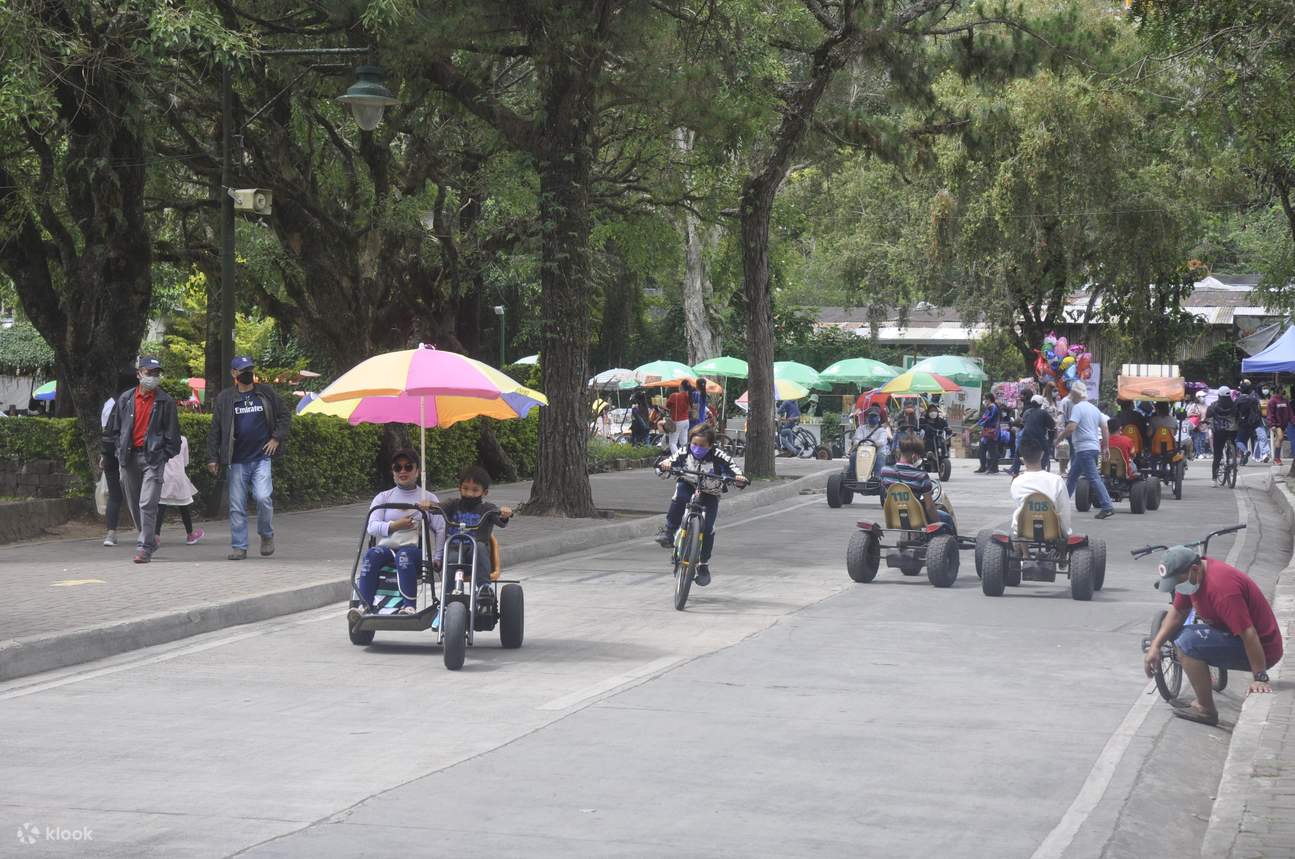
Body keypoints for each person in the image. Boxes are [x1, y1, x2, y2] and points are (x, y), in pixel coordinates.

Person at [1143, 546, 1282, 726]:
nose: (1177, 587)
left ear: (1195, 569)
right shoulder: (1194, 579)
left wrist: (1260, 678)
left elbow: (1249, 633)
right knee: (1177, 634)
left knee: (1187, 643)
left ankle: (1206, 709)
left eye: (1178, 581)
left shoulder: (1221, 589)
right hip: (1235, 637)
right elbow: (1177, 613)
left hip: (1262, 649)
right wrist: (1155, 646)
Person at [206, 356, 292, 561]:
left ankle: (266, 534)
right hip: (236, 460)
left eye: (250, 369)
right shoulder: (225, 398)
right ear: (234, 373)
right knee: (237, 505)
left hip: (262, 457)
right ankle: (239, 547)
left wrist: (276, 438)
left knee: (263, 498)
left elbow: (285, 415)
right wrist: (212, 457)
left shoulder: (266, 392)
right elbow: (215, 429)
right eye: (243, 370)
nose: (248, 373)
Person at [102, 357, 181, 563]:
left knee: (147, 503)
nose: (153, 377)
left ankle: (144, 547)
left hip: (153, 458)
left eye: (156, 373)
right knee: (135, 503)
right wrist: (118, 451)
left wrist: (163, 455)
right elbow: (114, 430)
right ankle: (149, 538)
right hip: (129, 457)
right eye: (149, 372)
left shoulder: (165, 401)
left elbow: (173, 436)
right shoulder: (126, 399)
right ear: (139, 374)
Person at [354, 449, 446, 615]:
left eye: (408, 467)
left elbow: (441, 529)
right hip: (388, 547)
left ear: (417, 471)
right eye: (398, 467)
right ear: (393, 471)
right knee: (371, 555)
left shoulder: (428, 498)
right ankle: (364, 606)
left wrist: (438, 557)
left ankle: (409, 606)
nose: (403, 471)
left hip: (414, 550)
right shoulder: (383, 497)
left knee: (404, 556)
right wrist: (395, 525)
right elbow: (372, 527)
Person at [653, 425, 748, 587]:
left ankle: (703, 564)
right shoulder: (684, 451)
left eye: (702, 446)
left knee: (708, 527)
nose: (697, 448)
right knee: (680, 497)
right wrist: (665, 466)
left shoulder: (719, 455)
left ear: (710, 445)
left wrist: (739, 478)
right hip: (688, 483)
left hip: (710, 492)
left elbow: (734, 469)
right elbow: (670, 462)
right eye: (694, 444)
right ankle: (669, 531)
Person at [437, 465, 514, 589]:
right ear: (459, 488)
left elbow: (500, 521)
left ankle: (484, 588)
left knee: (479, 547)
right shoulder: (452, 504)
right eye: (465, 489)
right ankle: (449, 592)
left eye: (475, 490)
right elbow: (438, 507)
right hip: (454, 551)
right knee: (452, 557)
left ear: (484, 492)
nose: (469, 493)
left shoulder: (487, 508)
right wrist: (429, 505)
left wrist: (504, 514)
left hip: (476, 558)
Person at [1054, 381, 1115, 519]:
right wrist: (1105, 447)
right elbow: (1105, 428)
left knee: (1093, 478)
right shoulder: (1094, 409)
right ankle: (1061, 505)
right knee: (1072, 477)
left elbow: (1071, 427)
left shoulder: (1078, 408)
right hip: (1092, 448)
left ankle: (1107, 506)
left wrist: (1058, 439)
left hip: (1083, 448)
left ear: (1075, 394)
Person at [879, 432, 955, 534]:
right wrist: (938, 525)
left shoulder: (885, 471)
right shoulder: (921, 476)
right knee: (946, 517)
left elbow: (886, 495)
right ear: (914, 456)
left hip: (894, 515)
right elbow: (929, 507)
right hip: (917, 517)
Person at [99, 370, 137, 547]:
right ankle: (145, 533)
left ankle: (111, 534)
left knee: (115, 495)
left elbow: (105, 430)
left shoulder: (109, 403)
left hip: (109, 452)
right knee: (139, 494)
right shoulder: (132, 401)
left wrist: (103, 454)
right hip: (128, 452)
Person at [1009, 436, 1072, 537]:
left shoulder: (1017, 481)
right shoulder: (1056, 480)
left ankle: (1023, 546)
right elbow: (1064, 511)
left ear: (1021, 459)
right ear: (1042, 454)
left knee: (1020, 511)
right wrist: (1066, 533)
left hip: (1024, 531)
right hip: (1053, 531)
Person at [155, 435, 204, 546]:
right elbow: (186, 461)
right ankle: (190, 535)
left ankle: (155, 536)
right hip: (179, 478)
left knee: (161, 506)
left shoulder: (159, 439)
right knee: (184, 506)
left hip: (164, 477)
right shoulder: (183, 440)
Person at [1008, 394, 1055, 477]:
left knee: (1018, 451)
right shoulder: (1043, 412)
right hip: (1038, 437)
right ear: (1041, 404)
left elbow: (1023, 422)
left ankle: (1014, 470)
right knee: (1047, 451)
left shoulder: (1027, 412)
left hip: (1025, 436)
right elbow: (1052, 425)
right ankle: (1042, 468)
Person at [1206, 385, 1239, 485]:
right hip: (1233, 430)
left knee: (1217, 455)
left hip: (1219, 431)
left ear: (1219, 395)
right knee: (1232, 444)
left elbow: (1208, 415)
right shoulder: (1235, 405)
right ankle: (1233, 459)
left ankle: (1214, 479)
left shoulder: (1214, 405)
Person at [1235, 380, 1263, 463]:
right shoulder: (1254, 399)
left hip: (1242, 424)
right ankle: (1243, 460)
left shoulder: (1238, 400)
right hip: (1252, 424)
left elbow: (1234, 412)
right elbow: (1259, 411)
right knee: (1245, 441)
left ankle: (1245, 451)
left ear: (1241, 389)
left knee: (1238, 440)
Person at [975, 393, 1002, 474]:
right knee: (983, 449)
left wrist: (977, 424)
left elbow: (986, 418)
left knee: (991, 449)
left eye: (985, 399)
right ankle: (984, 466)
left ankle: (993, 468)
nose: (984, 401)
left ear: (989, 399)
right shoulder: (991, 407)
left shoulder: (992, 407)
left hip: (991, 431)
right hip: (988, 431)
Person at [664, 382, 692, 452]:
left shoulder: (674, 396)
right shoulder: (689, 396)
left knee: (672, 443)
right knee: (684, 443)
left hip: (677, 421)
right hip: (686, 421)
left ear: (681, 386)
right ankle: (684, 456)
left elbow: (667, 406)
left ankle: (676, 457)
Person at [1268, 386, 1289, 467]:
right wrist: (1272, 424)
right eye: (1281, 389)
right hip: (1276, 424)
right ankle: (1277, 458)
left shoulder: (1285, 400)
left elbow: (1289, 412)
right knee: (1280, 437)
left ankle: (1276, 458)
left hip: (1283, 424)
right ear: (1278, 390)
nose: (1283, 390)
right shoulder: (1272, 400)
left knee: (1279, 439)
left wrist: (1292, 420)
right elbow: (1270, 413)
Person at [1186, 391, 1209, 460]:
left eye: (1204, 396)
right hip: (1196, 425)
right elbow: (1188, 414)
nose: (1204, 398)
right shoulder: (1194, 405)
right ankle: (1198, 453)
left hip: (1204, 425)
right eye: (1202, 396)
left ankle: (1202, 452)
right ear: (1198, 397)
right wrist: (1196, 414)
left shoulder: (1206, 405)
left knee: (1203, 440)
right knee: (1197, 439)